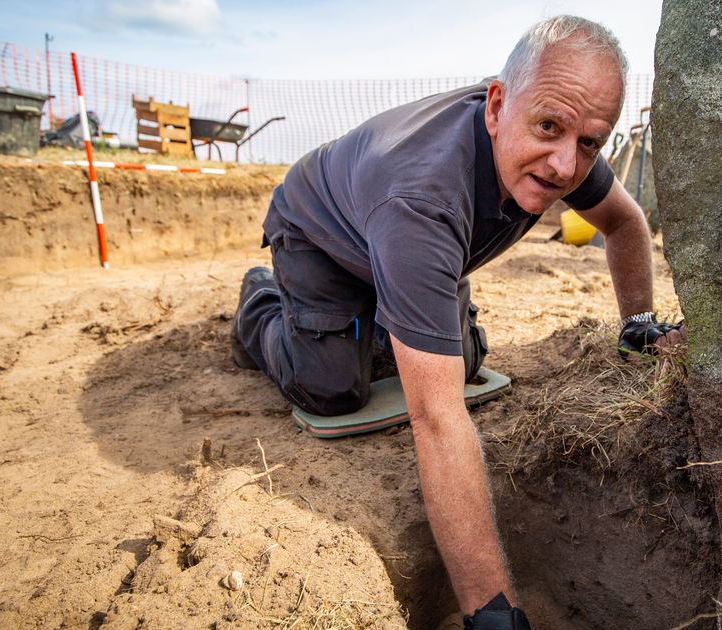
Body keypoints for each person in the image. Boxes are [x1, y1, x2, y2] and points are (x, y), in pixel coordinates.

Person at [231, 15, 683, 629]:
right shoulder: (423, 199)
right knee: (332, 387)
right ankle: (260, 304)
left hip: (398, 236)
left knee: (464, 362)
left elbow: (625, 223)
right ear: (497, 106)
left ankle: (386, 310)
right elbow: (438, 419)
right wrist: (493, 614)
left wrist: (639, 327)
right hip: (322, 235)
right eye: (548, 128)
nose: (562, 165)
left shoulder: (561, 134)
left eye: (588, 144)